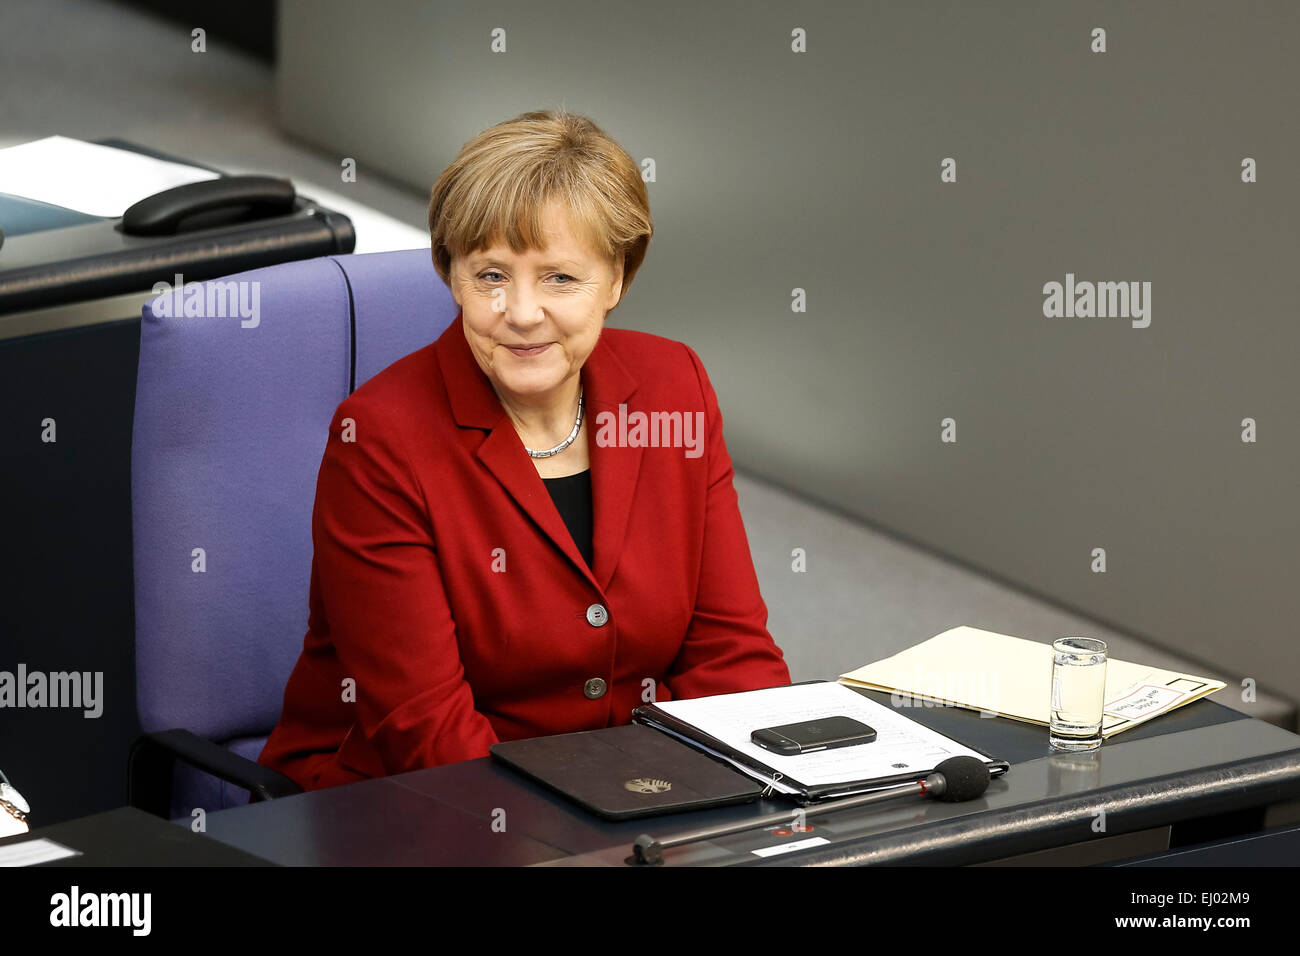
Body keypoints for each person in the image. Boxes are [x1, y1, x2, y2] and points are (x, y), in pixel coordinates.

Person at [258, 108, 790, 791]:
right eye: (490, 276)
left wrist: (714, 802)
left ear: (618, 279)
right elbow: (428, 730)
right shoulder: (381, 440)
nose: (522, 312)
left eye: (561, 279)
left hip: (635, 799)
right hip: (417, 807)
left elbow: (732, 653)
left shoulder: (671, 388)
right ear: (451, 276)